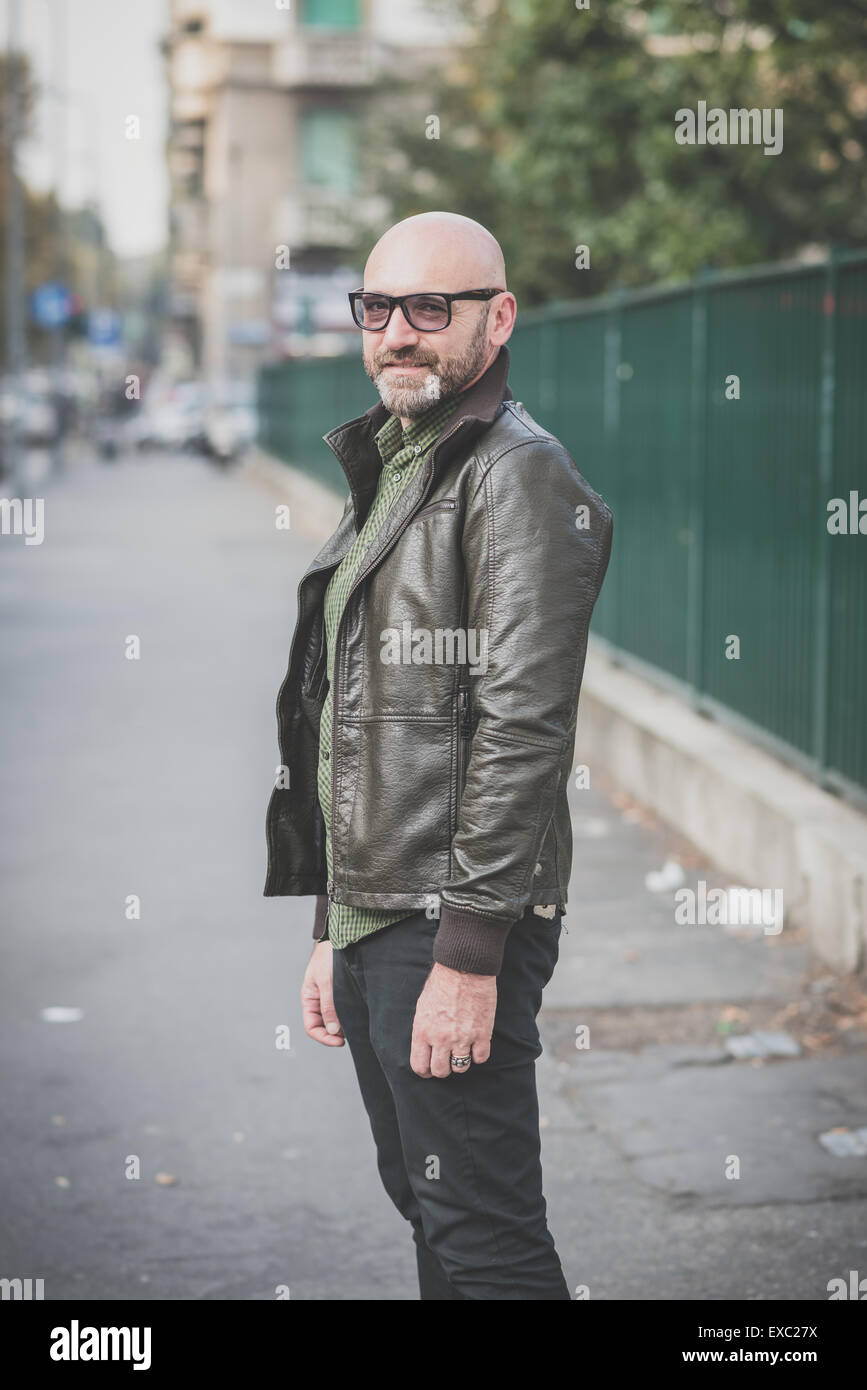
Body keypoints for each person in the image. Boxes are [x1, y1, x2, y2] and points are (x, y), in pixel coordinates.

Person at [264, 211, 613, 1300]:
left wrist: (468, 954)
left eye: (431, 308)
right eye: (379, 309)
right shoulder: (398, 460)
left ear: (498, 318)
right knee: (433, 1212)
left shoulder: (516, 474)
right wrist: (332, 918)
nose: (398, 334)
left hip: (453, 915)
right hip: (382, 911)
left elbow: (523, 726)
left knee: (486, 1235)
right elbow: (352, 721)